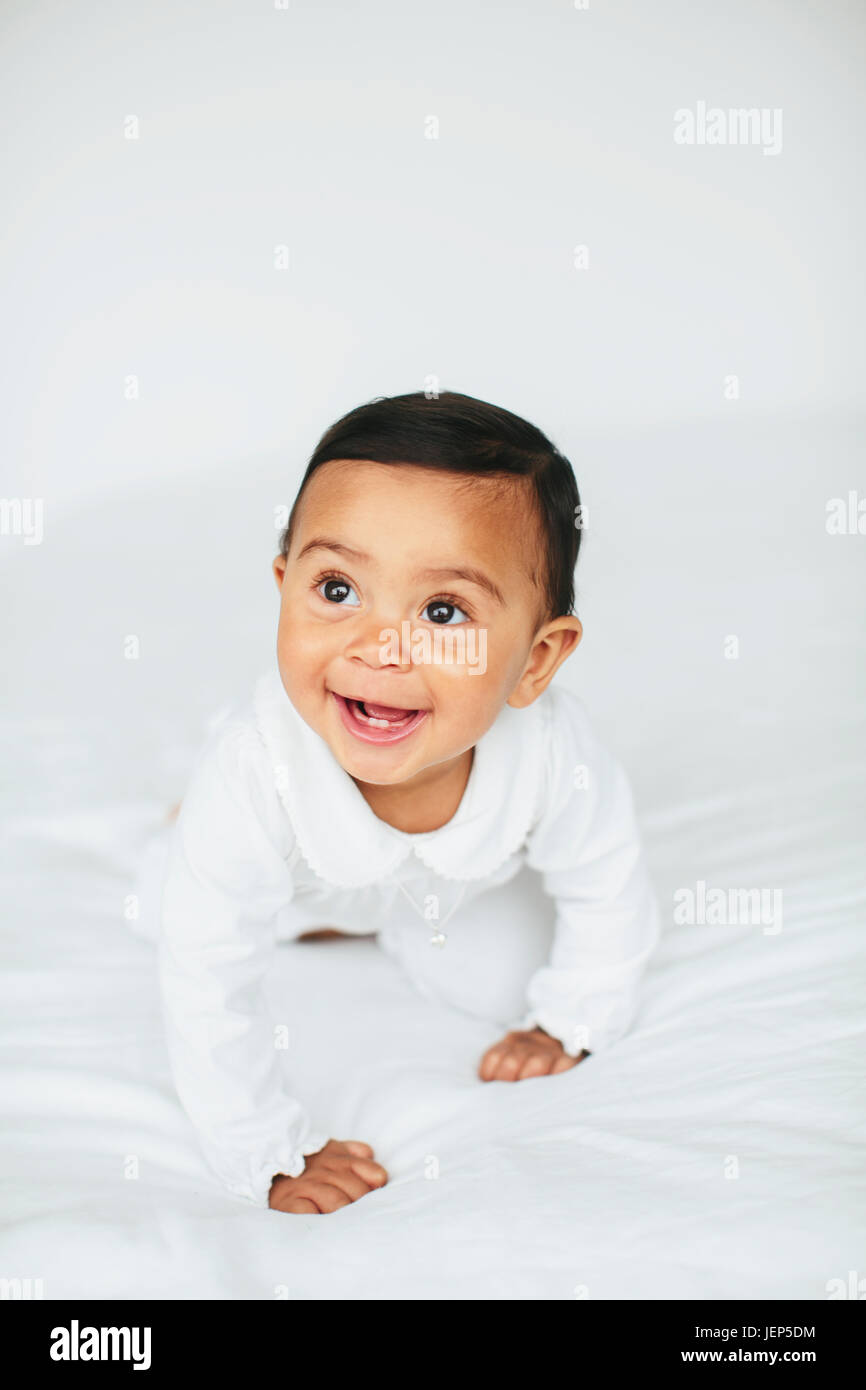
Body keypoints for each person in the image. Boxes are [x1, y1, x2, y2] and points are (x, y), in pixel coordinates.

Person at [145, 389, 660, 1215]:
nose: (380, 647)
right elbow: (205, 984)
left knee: (507, 977)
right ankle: (200, 844)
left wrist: (572, 1018)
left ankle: (373, 918)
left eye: (443, 610)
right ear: (284, 587)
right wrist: (264, 1153)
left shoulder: (552, 753)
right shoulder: (254, 775)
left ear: (537, 660)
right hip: (291, 867)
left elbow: (608, 879)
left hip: (443, 886)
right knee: (169, 905)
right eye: (338, 589)